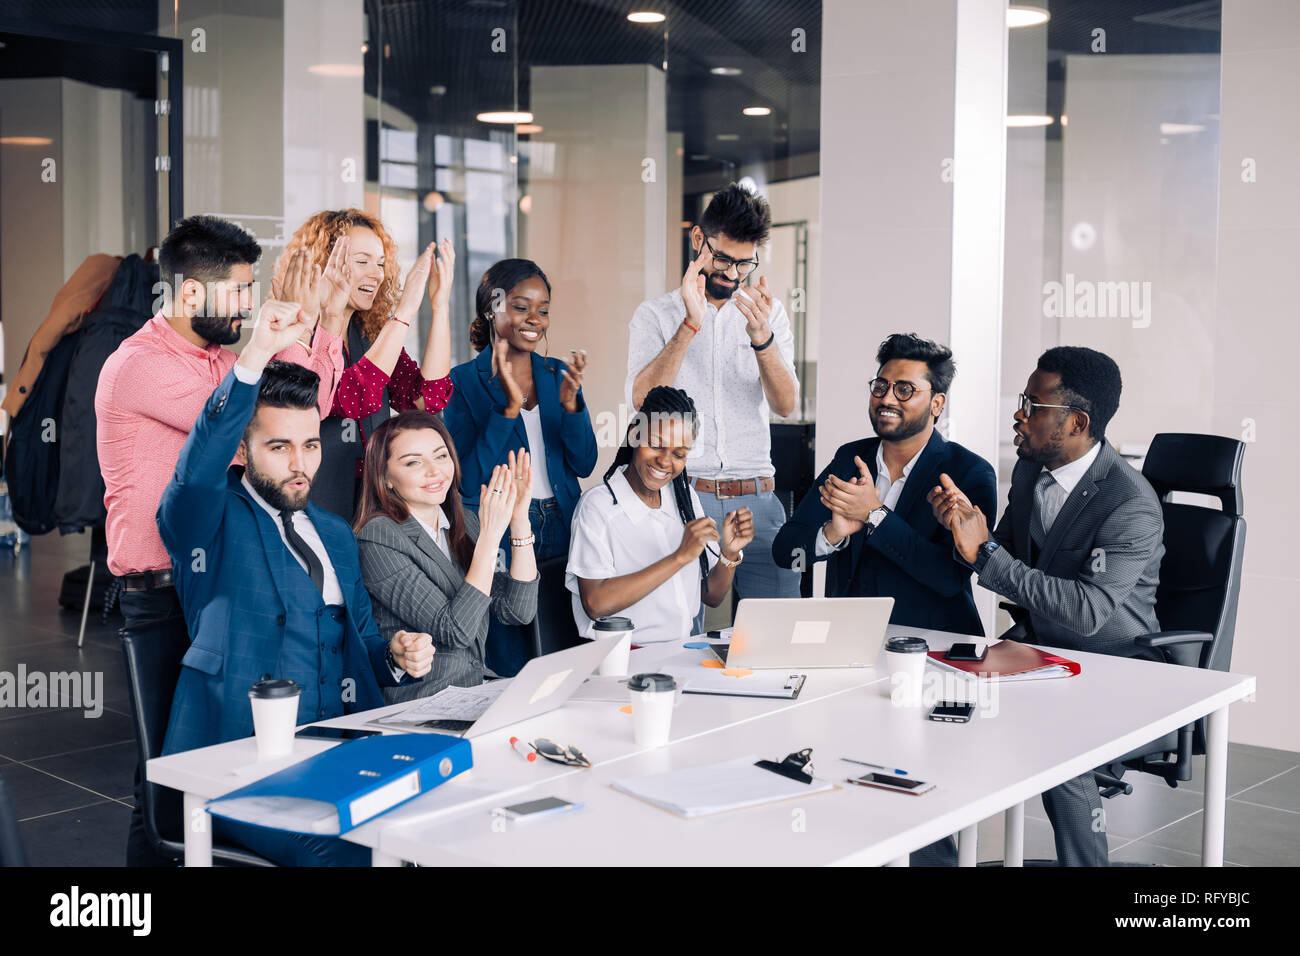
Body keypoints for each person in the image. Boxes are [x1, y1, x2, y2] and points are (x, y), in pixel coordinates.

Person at [94, 214, 340, 866]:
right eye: (239, 291)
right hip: (161, 597)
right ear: (191, 293)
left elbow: (302, 409)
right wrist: (273, 348)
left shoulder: (225, 361)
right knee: (163, 780)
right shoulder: (138, 366)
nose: (248, 306)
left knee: (218, 761)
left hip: (221, 586)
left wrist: (308, 326)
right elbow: (241, 427)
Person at [158, 304, 435, 866]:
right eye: (279, 447)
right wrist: (255, 354)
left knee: (434, 834)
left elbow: (362, 644)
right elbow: (196, 469)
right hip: (238, 772)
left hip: (338, 757)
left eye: (310, 445)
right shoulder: (207, 520)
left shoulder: (335, 534)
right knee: (356, 858)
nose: (299, 463)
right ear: (242, 450)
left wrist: (397, 656)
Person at [930, 346, 1164, 867]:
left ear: (1077, 422)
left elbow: (1088, 611)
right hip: (1042, 649)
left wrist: (985, 552)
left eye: (1033, 406)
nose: (1019, 415)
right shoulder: (1031, 471)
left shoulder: (1130, 503)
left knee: (1061, 743)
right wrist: (965, 528)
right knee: (933, 706)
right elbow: (1005, 555)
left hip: (1115, 662)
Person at [626, 182, 800, 606]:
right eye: (722, 259)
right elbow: (642, 401)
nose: (733, 274)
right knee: (681, 624)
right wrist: (690, 323)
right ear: (698, 240)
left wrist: (762, 338)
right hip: (684, 495)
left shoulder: (769, 314)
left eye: (744, 263)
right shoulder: (655, 314)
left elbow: (785, 405)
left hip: (758, 499)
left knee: (775, 631)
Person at [772, 333, 996, 635]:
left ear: (936, 403)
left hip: (932, 644)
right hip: (849, 639)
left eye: (904, 390)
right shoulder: (850, 458)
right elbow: (786, 552)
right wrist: (831, 535)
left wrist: (874, 514)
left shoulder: (968, 472)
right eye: (880, 386)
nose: (887, 399)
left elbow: (948, 578)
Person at [444, 259, 598, 674]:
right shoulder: (462, 381)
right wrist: (507, 410)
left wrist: (572, 407)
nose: (534, 319)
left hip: (562, 520)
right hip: (500, 528)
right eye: (520, 306)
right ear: (491, 309)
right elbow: (465, 482)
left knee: (564, 644)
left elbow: (584, 462)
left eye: (542, 309)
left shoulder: (557, 373)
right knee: (511, 647)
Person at [280, 208, 455, 521]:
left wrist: (439, 306)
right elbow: (348, 397)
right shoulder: (296, 335)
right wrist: (404, 311)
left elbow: (425, 399)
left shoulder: (370, 334)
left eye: (380, 264)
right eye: (362, 262)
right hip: (318, 504)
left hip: (373, 505)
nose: (377, 274)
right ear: (325, 263)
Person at [355, 411, 538, 700]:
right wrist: (490, 537)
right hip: (423, 701)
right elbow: (454, 630)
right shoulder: (378, 536)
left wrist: (519, 520)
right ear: (386, 477)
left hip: (475, 689)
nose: (434, 471)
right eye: (414, 462)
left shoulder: (466, 523)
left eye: (441, 456)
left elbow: (518, 610)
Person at [567, 386, 754, 645]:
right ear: (635, 435)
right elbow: (596, 603)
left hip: (680, 648)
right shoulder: (598, 506)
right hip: (624, 655)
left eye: (679, 454)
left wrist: (729, 553)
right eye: (656, 445)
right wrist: (679, 557)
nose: (665, 462)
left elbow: (711, 595)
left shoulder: (684, 498)